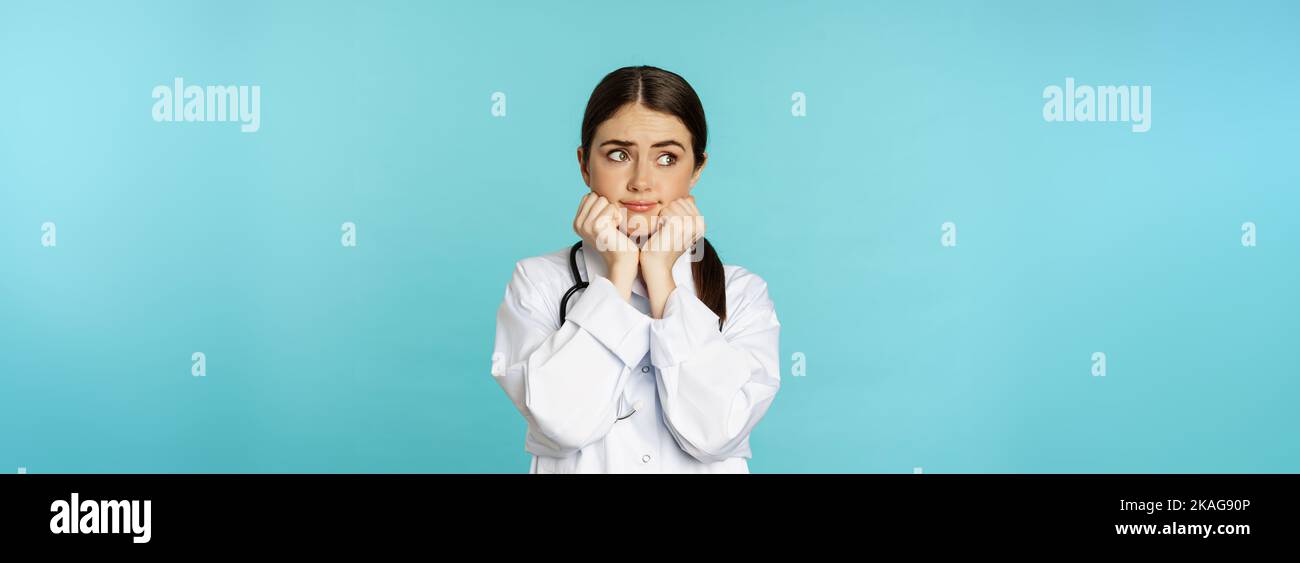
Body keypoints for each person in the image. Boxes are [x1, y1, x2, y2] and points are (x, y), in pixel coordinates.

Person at [490, 65, 781, 473]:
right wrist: (618, 273)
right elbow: (562, 424)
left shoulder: (743, 293)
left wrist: (662, 276)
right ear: (584, 164)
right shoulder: (536, 282)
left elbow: (716, 434)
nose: (642, 181)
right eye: (619, 154)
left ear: (697, 169)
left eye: (666, 157)